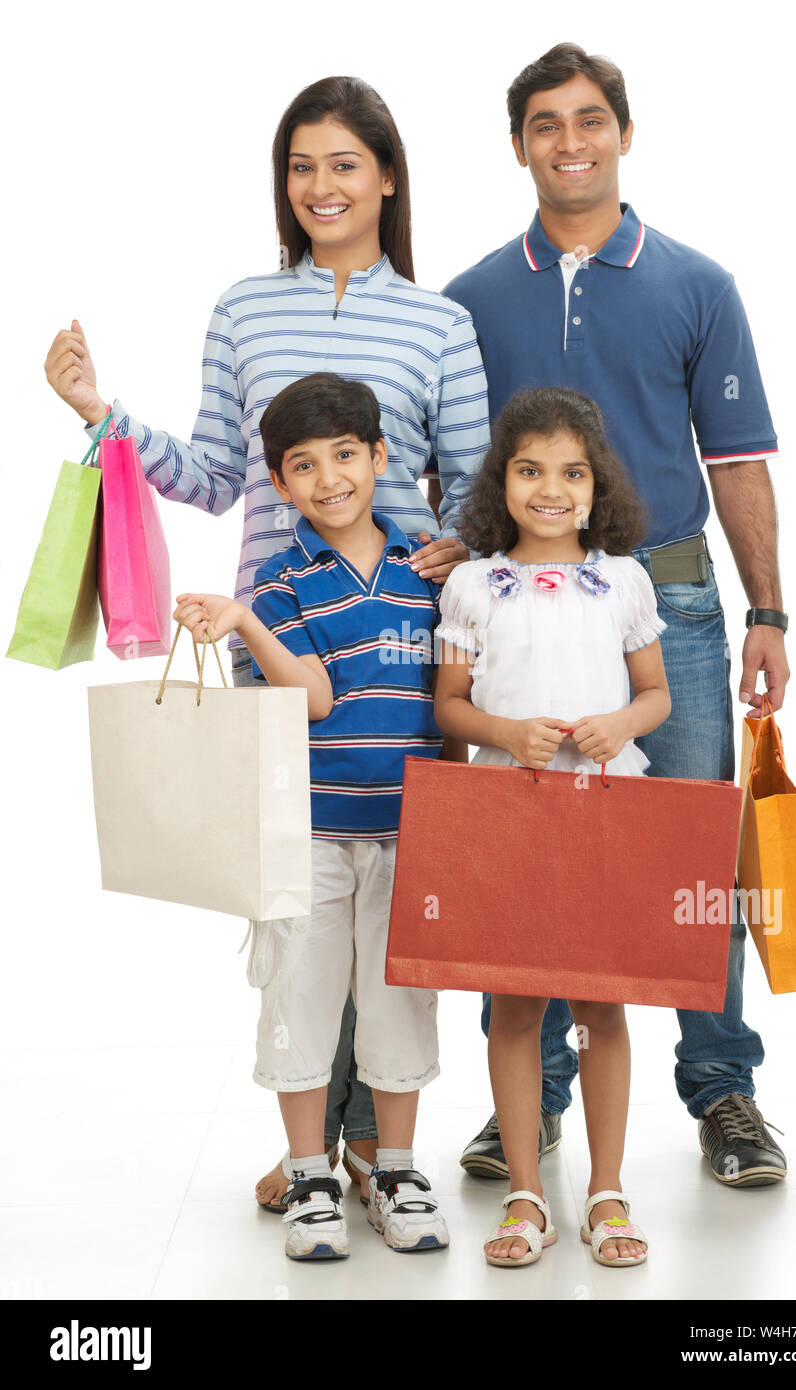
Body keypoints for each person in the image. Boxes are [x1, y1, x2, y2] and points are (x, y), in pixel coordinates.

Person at [42, 74, 487, 1211]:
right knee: (300, 895)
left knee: (383, 874)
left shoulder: (439, 322)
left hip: (393, 644)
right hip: (266, 642)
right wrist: (102, 415)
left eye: (344, 162)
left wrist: (441, 549)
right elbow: (207, 473)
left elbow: (474, 487)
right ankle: (316, 1149)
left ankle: (364, 1148)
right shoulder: (242, 307)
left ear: (386, 174)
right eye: (301, 165)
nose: (322, 185)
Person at [440, 42, 789, 1187]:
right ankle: (525, 1100)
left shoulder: (697, 284)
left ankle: (723, 1091)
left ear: (623, 134)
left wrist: (767, 612)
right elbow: (459, 470)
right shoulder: (473, 298)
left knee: (692, 857)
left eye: (590, 120)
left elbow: (734, 462)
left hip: (672, 603)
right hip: (519, 622)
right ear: (518, 146)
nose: (570, 142)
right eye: (546, 124)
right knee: (524, 855)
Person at [173, 372, 450, 1260]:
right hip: (313, 836)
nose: (329, 478)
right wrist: (247, 620)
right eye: (303, 465)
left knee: (399, 1004)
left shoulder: (427, 571)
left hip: (415, 833)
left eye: (345, 455)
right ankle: (309, 1176)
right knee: (300, 999)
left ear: (379, 457)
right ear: (280, 485)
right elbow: (316, 699)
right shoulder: (280, 583)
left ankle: (396, 1168)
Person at [434, 386, 670, 1266]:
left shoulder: (625, 579)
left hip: (605, 811)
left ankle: (606, 1190)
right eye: (530, 470)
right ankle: (527, 1192)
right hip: (508, 814)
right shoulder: (470, 586)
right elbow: (451, 705)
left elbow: (656, 693)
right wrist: (504, 734)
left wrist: (623, 724)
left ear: (596, 484)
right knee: (517, 1002)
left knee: (602, 1004)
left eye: (572, 472)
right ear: (502, 482)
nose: (551, 489)